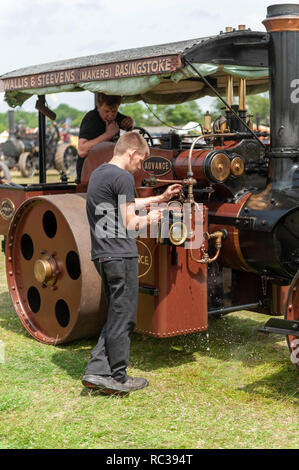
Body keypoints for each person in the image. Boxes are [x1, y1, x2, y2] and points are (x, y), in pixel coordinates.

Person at [82, 131, 182, 394]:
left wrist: (159, 199)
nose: (140, 168)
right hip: (121, 254)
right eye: (140, 162)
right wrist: (161, 215)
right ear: (132, 152)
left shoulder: (100, 174)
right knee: (125, 317)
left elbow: (124, 205)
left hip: (102, 254)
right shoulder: (123, 176)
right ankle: (118, 377)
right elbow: (130, 222)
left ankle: (97, 369)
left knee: (116, 313)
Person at [76, 92, 135, 183]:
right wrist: (108, 134)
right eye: (107, 111)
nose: (111, 115)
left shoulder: (114, 116)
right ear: (98, 107)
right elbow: (82, 150)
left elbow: (128, 123)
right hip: (89, 176)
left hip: (108, 174)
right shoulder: (91, 119)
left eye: (114, 112)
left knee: (123, 191)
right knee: (121, 194)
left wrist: (130, 122)